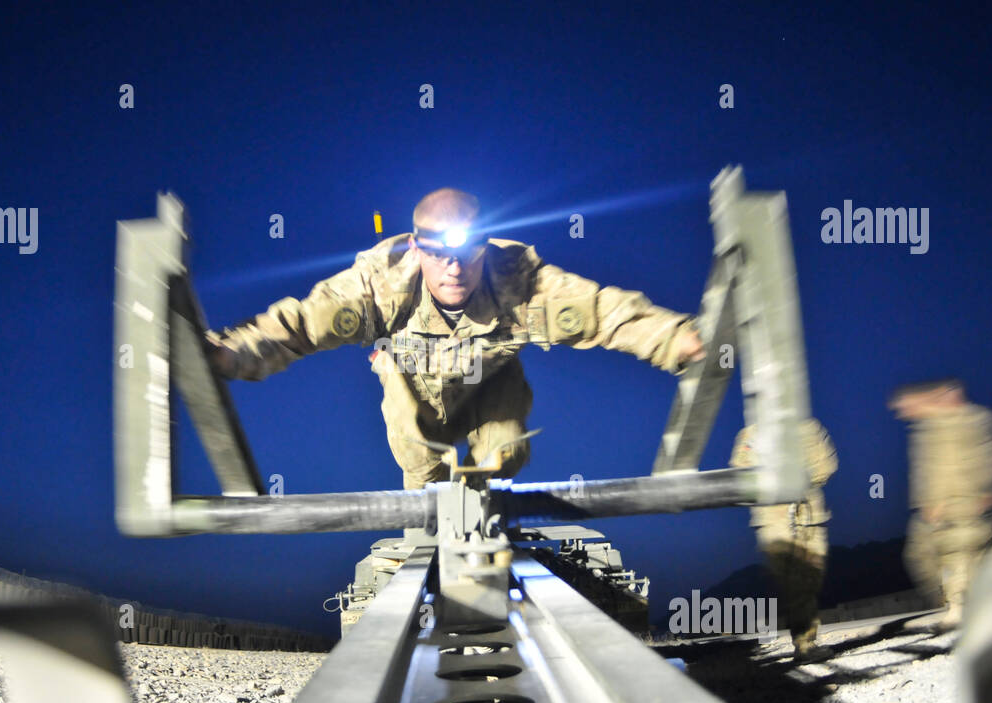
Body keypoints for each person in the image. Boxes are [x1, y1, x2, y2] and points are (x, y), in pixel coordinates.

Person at [205, 188, 705, 489]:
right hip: (413, 384)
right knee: (423, 471)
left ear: (485, 246)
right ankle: (431, 523)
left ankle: (483, 514)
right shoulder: (380, 283)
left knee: (502, 457)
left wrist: (677, 341)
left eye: (466, 250)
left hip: (489, 383)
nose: (453, 266)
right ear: (416, 247)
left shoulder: (519, 282)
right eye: (438, 251)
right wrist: (229, 354)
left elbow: (600, 313)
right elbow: (298, 326)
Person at [889, 379, 992, 629]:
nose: (903, 413)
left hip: (962, 500)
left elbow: (989, 455)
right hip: (933, 507)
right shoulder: (929, 426)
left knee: (956, 554)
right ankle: (965, 600)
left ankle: (958, 609)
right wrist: (926, 501)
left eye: (906, 406)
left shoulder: (972, 419)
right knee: (921, 555)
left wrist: (985, 490)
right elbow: (927, 468)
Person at [730, 419, 839, 662]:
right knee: (791, 582)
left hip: (808, 512)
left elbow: (827, 464)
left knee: (810, 578)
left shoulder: (808, 426)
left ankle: (804, 639)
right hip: (773, 517)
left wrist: (802, 477)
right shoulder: (751, 433)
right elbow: (740, 476)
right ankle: (804, 644)